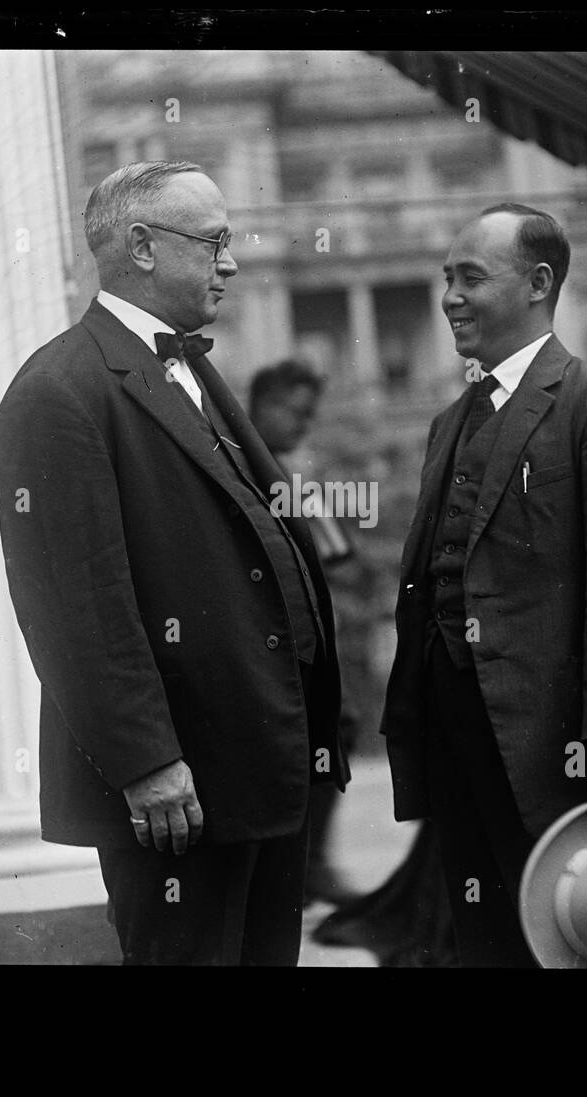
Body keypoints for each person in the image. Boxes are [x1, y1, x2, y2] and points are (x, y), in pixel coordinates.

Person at [0, 161, 347, 966]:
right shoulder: (58, 392)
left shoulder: (188, 367)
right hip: (178, 792)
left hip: (256, 771)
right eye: (214, 241)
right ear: (142, 248)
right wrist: (147, 762)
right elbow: (75, 608)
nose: (232, 261)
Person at [379, 203, 587, 967]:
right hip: (458, 743)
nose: (450, 297)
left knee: (582, 942)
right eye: (447, 278)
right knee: (491, 944)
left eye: (471, 278)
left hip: (563, 748)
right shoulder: (449, 421)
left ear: (540, 283)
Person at [247, 359, 362, 903]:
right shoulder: (241, 459)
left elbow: (337, 553)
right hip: (253, 641)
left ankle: (307, 864)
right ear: (264, 405)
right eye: (295, 414)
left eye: (308, 417)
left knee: (337, 727)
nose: (301, 426)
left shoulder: (289, 468)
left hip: (293, 640)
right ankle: (298, 868)